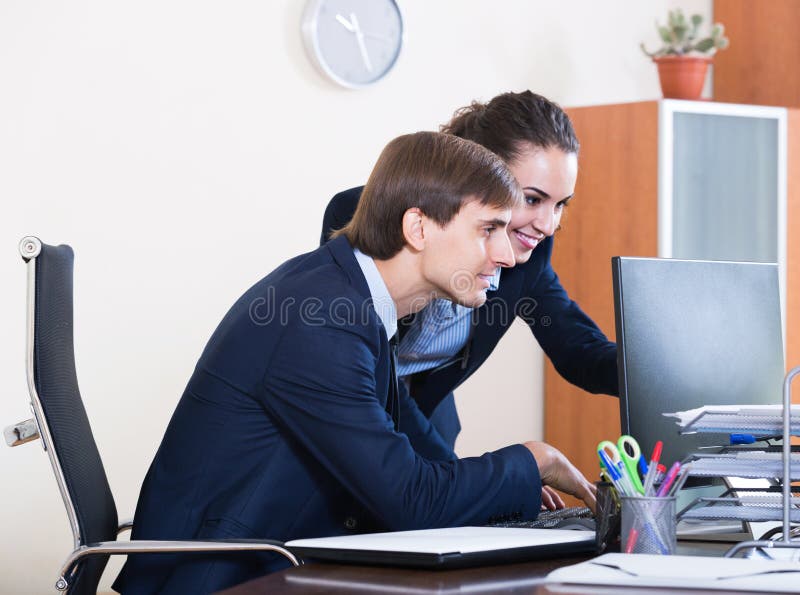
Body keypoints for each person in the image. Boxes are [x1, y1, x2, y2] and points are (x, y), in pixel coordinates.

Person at [114, 131, 597, 595]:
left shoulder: (349, 302)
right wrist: (536, 461)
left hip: (279, 559)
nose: (507, 255)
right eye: (488, 230)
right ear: (418, 227)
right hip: (223, 579)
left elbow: (402, 476)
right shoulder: (322, 320)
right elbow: (410, 498)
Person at [320, 92, 617, 500]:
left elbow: (578, 348)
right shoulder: (368, 212)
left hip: (427, 412)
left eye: (561, 204)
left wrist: (663, 368)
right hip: (360, 398)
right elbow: (372, 367)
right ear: (480, 171)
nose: (548, 225)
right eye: (533, 199)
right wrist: (467, 481)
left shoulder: (528, 253)